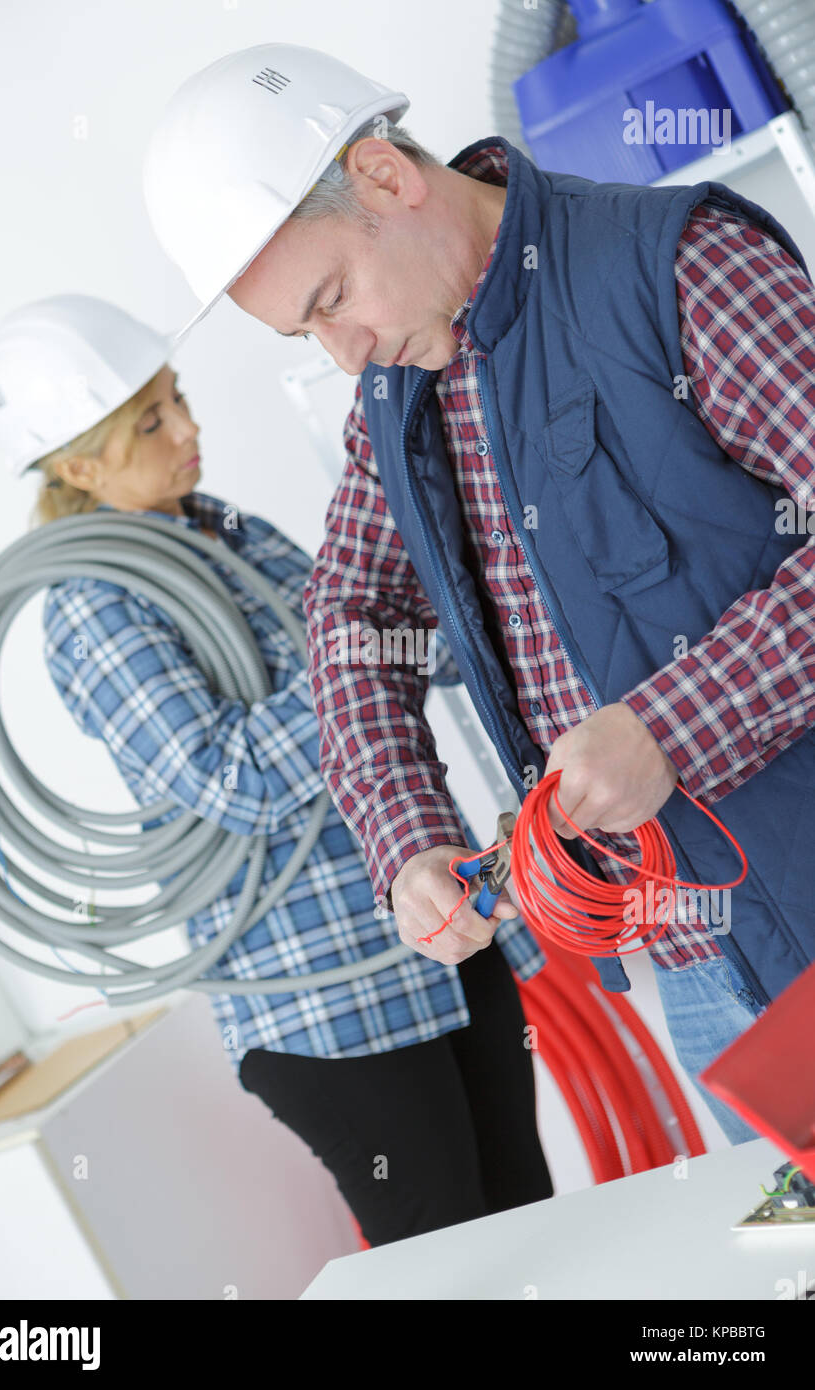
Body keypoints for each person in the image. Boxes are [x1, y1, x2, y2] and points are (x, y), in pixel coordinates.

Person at [142, 44, 815, 1143]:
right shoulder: (397, 394)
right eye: (305, 331)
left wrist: (671, 730)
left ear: (383, 177)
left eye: (334, 298)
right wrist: (405, 835)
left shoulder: (677, 265)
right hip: (699, 974)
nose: (345, 353)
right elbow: (352, 622)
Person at [0, 293, 553, 1247]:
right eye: (152, 421)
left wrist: (444, 619)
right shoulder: (92, 603)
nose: (190, 428)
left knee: (534, 1230)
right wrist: (358, 665)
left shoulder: (227, 530)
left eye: (178, 399)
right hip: (322, 997)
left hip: (441, 932)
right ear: (80, 464)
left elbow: (376, 634)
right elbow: (227, 778)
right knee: (445, 1263)